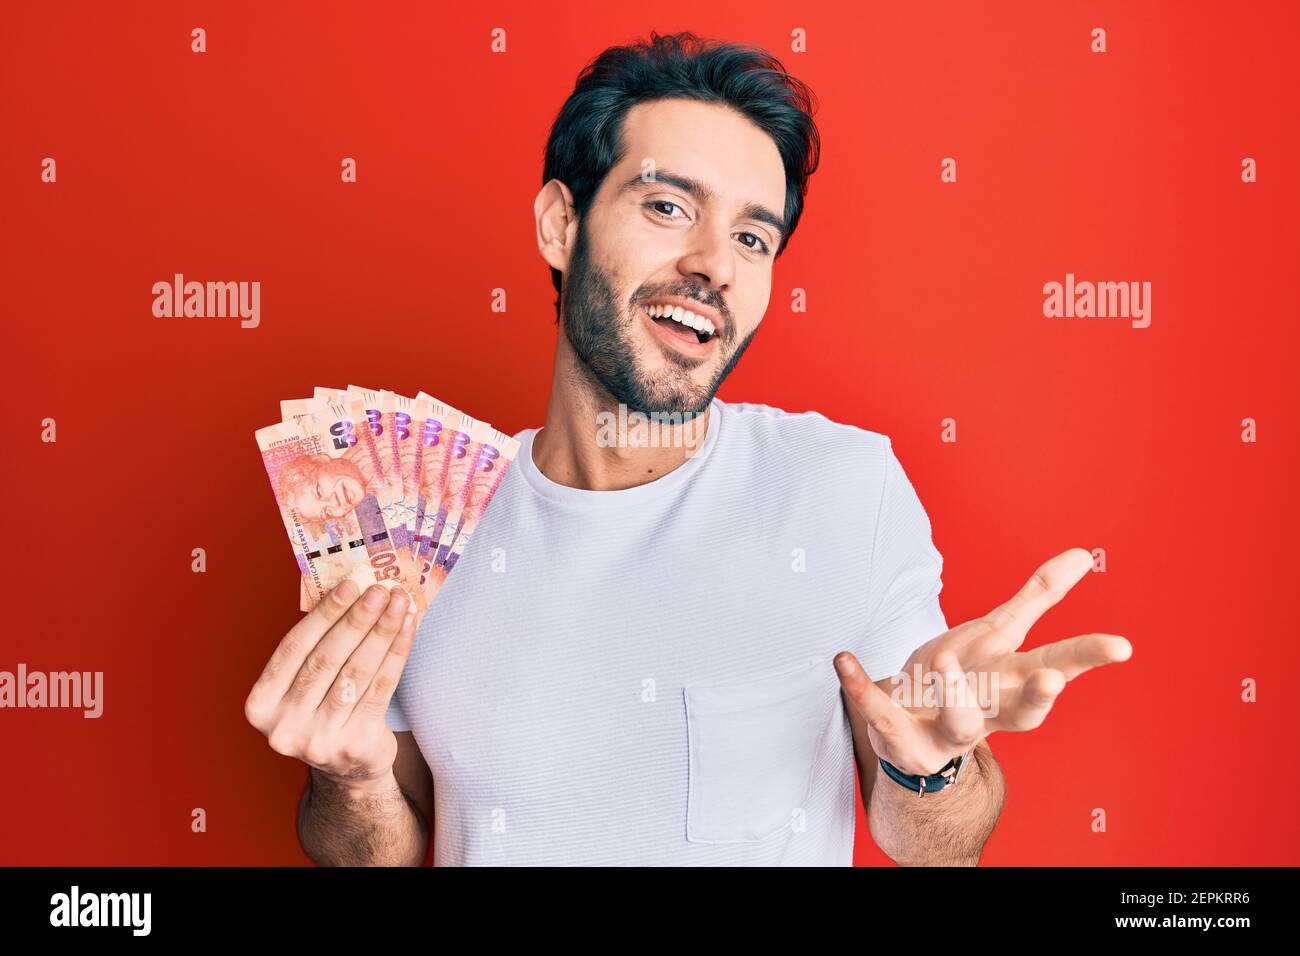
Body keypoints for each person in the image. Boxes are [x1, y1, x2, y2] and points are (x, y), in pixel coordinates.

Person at [244, 30, 1131, 866]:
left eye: (754, 236)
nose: (716, 263)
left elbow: (937, 844)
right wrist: (348, 778)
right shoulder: (420, 530)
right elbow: (376, 848)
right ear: (561, 223)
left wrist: (932, 764)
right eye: (668, 206)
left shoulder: (839, 489)